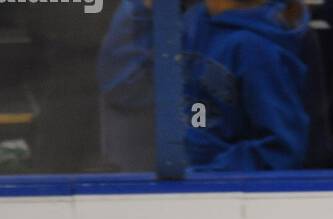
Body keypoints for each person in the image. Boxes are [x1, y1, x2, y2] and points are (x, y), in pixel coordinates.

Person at [98, 0, 317, 172]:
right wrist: (144, 9)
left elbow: (281, 149)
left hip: (219, 194)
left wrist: (207, 175)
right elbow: (123, 89)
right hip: (175, 180)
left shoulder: (256, 50)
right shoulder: (196, 22)